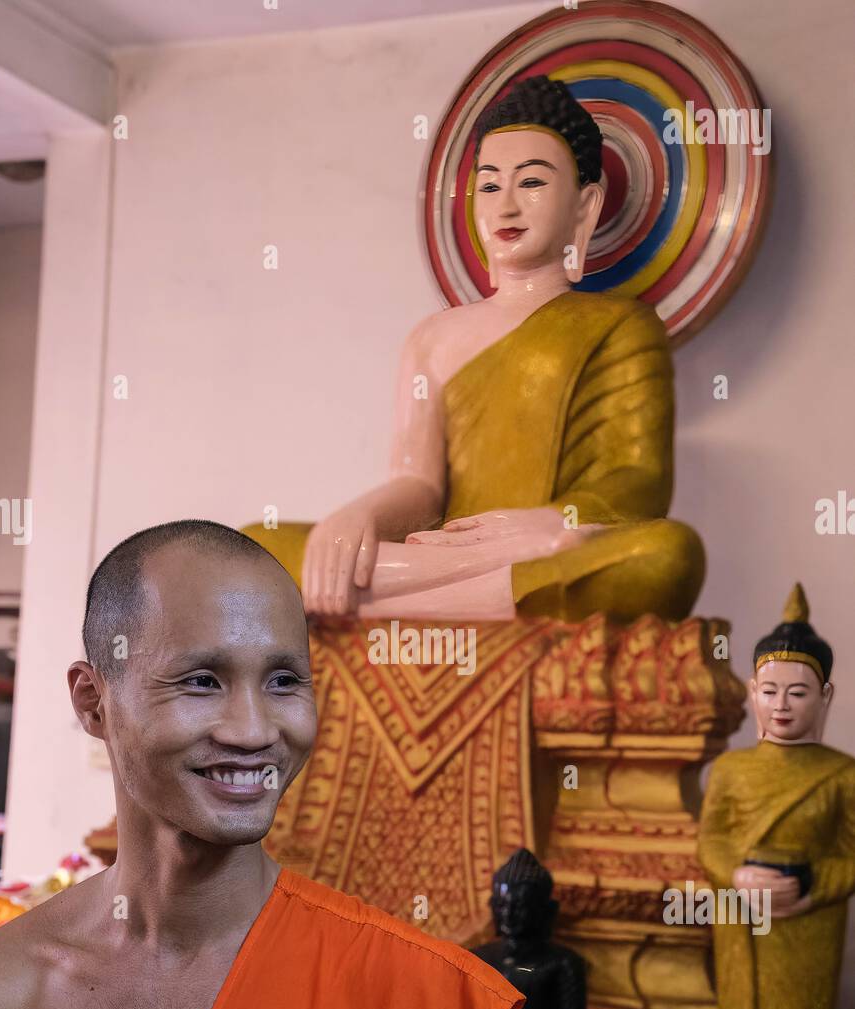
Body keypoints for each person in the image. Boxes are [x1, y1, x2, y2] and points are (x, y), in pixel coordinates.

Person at [0, 520, 523, 1009]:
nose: (252, 731)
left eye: (283, 681)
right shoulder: (9, 990)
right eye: (201, 680)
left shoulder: (402, 994)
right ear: (93, 700)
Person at [244, 76, 704, 623]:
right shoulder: (432, 337)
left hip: (549, 545)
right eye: (489, 187)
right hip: (460, 557)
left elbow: (638, 483)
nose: (506, 205)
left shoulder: (622, 324)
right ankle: (476, 597)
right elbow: (418, 484)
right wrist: (356, 519)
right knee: (257, 549)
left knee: (666, 555)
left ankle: (375, 608)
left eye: (531, 182)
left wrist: (553, 524)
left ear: (585, 206)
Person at [698, 584, 855, 1009]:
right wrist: (736, 873)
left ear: (825, 698)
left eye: (798, 692)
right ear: (752, 696)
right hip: (741, 929)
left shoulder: (842, 774)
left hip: (806, 936)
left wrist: (813, 885)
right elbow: (709, 841)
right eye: (770, 691)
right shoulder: (732, 772)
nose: (782, 705)